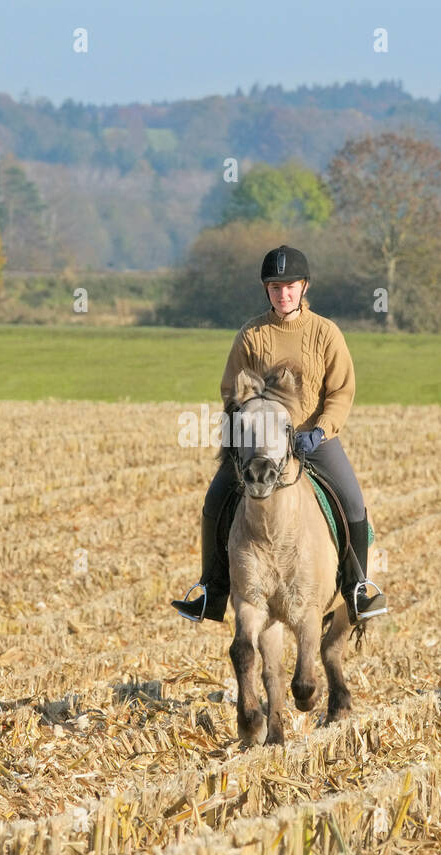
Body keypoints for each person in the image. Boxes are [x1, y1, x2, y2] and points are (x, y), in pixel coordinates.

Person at [172, 244, 388, 624]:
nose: (282, 293)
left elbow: (341, 392)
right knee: (214, 501)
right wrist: (253, 424)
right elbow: (230, 390)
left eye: (289, 286)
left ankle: (358, 589)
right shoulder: (251, 335)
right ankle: (211, 589)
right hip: (260, 443)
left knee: (353, 503)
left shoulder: (326, 333)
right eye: (275, 287)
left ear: (304, 287)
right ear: (266, 290)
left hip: (313, 439)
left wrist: (320, 432)